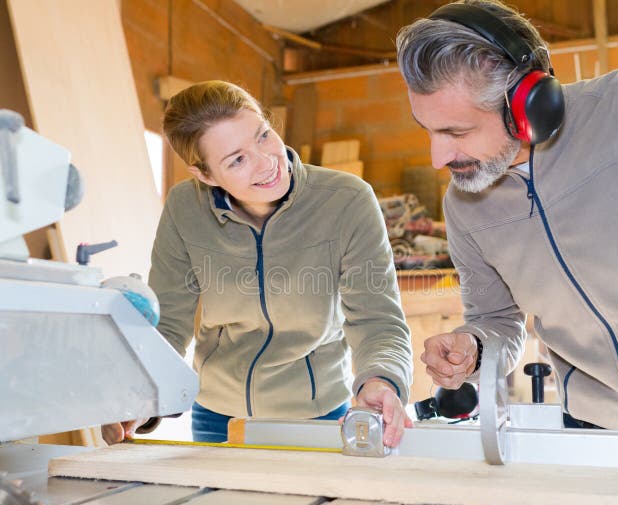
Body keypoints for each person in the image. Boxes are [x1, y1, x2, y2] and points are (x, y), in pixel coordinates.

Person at [396, 0, 618, 505]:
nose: (437, 157)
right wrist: (473, 345)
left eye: (456, 133)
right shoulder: (463, 205)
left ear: (526, 104)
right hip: (596, 445)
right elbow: (496, 321)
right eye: (428, 130)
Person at [102, 81, 413, 447]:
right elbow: (168, 322)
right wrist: (143, 397)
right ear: (204, 174)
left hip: (318, 415)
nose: (267, 162)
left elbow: (378, 320)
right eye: (237, 159)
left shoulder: (347, 201)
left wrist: (381, 380)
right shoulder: (185, 207)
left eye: (263, 136)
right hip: (219, 417)